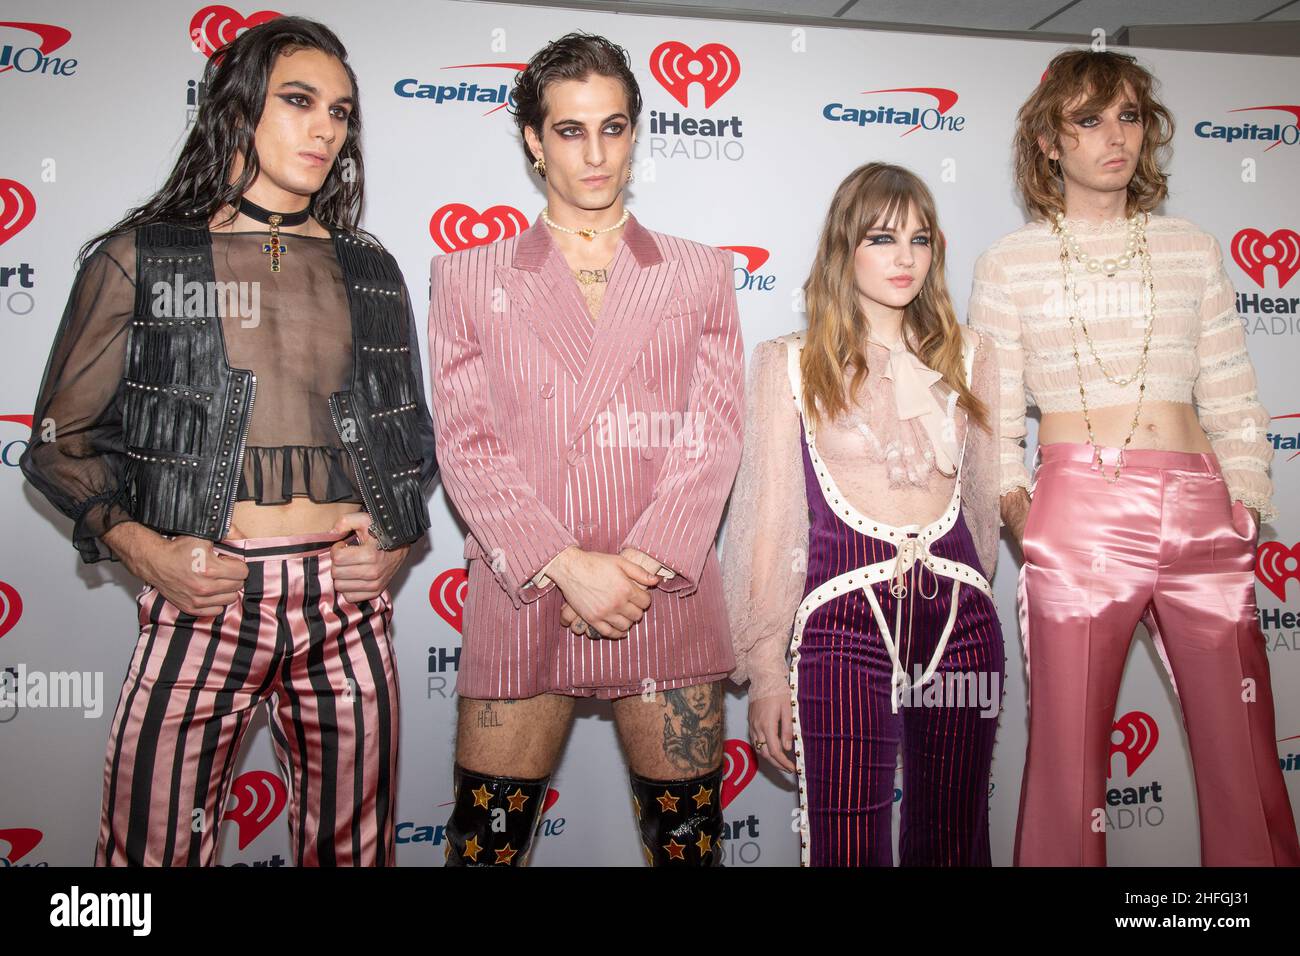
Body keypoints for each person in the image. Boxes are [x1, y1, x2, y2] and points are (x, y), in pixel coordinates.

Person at [19, 17, 437, 866]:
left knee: (355, 852)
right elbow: (58, 442)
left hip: (346, 601)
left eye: (342, 112)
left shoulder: (368, 265)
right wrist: (145, 553)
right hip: (202, 593)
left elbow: (411, 437)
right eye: (298, 100)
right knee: (147, 853)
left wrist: (398, 543)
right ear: (237, 109)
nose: (326, 127)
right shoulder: (146, 257)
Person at [969, 48, 1299, 866]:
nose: (1114, 137)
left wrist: (1245, 500)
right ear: (1050, 141)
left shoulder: (1190, 246)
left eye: (1129, 116)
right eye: (1088, 119)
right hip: (1080, 516)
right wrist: (1023, 510)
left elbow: (1230, 389)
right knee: (1067, 764)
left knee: (1247, 757)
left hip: (1202, 512)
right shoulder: (1010, 262)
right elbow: (995, 418)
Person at [427, 32, 744, 866]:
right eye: (570, 131)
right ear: (534, 140)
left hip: (662, 596)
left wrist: (632, 569)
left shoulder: (698, 272)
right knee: (482, 855)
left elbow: (714, 435)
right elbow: (466, 442)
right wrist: (570, 566)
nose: (596, 154)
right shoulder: (468, 275)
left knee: (689, 855)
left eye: (613, 127)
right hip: (526, 592)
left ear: (636, 131)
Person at [724, 163, 1004, 866]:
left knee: (953, 840)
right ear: (843, 248)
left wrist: (975, 593)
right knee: (845, 842)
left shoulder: (974, 356)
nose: (905, 257)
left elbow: (983, 509)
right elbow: (768, 528)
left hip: (962, 622)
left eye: (920, 239)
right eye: (882, 238)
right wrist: (766, 671)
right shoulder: (788, 363)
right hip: (842, 628)